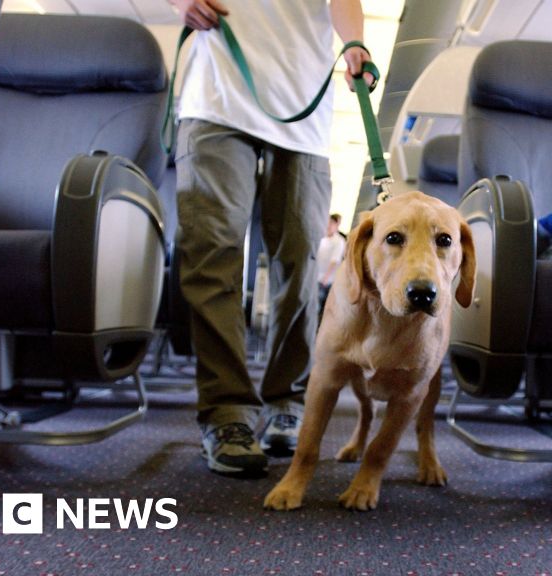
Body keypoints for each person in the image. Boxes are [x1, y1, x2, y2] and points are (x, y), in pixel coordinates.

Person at [171, 0, 373, 475]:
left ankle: (288, 400)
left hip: (303, 112)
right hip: (217, 97)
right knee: (212, 257)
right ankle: (226, 413)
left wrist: (355, 43)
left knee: (300, 264)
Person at [316, 213, 346, 316]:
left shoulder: (339, 241)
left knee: (318, 306)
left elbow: (335, 261)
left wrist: (326, 277)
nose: (328, 225)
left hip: (326, 280)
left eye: (331, 223)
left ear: (337, 225)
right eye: (328, 222)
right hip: (315, 276)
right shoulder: (322, 237)